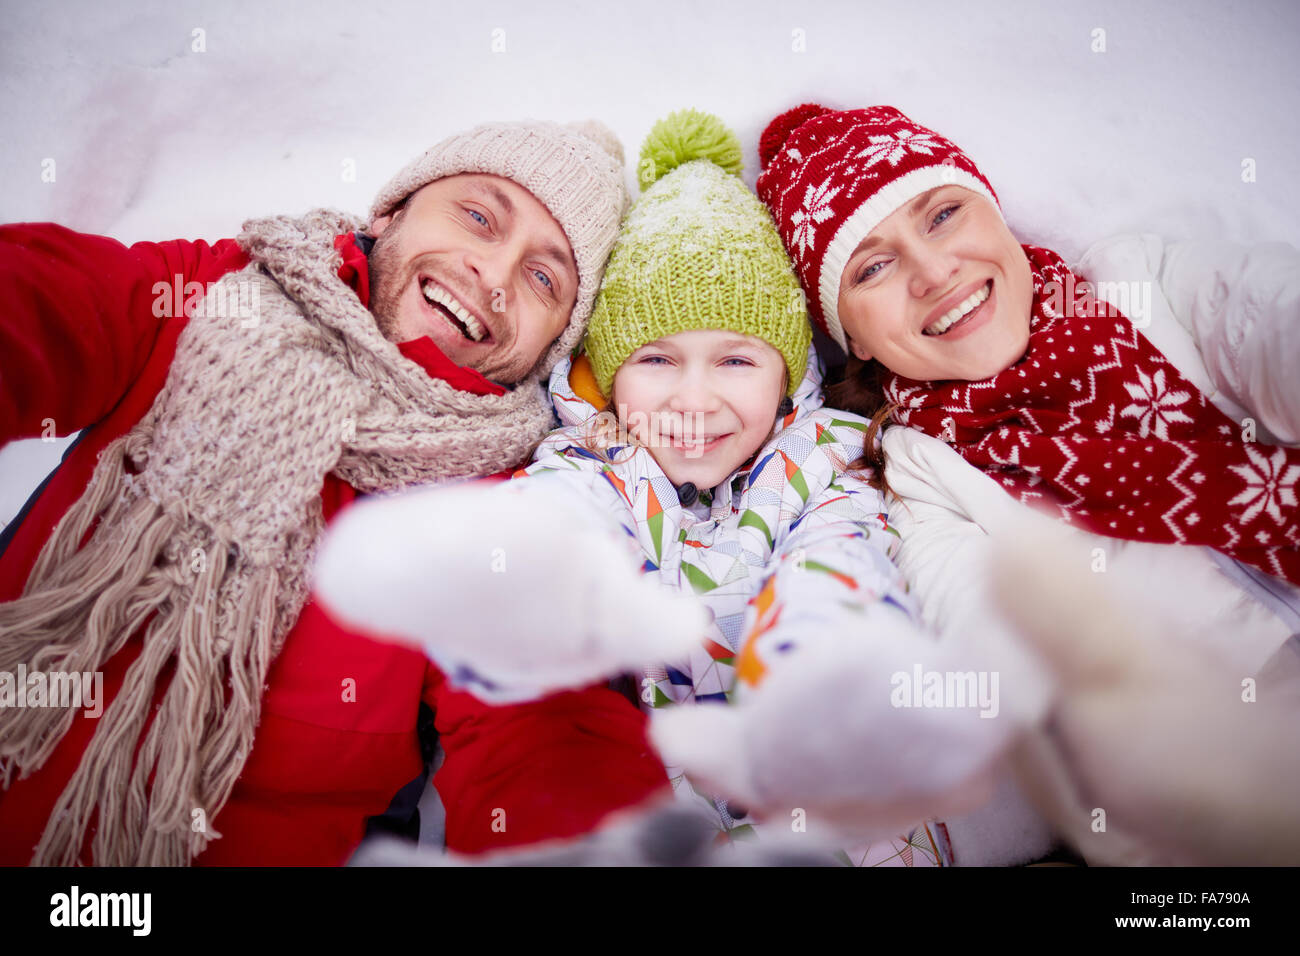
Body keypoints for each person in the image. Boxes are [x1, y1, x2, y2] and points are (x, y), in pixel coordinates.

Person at [315, 111, 1057, 866]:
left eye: (736, 362)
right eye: (658, 362)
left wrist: (813, 649)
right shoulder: (588, 465)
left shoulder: (830, 460)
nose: (693, 401)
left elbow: (840, 552)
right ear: (607, 375)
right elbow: (562, 523)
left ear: (787, 378)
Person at [0, 118, 677, 866]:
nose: (493, 275)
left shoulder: (504, 509)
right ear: (390, 212)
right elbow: (37, 307)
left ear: (552, 344)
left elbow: (551, 726)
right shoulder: (207, 299)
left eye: (544, 278)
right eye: (479, 217)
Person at [697, 101, 1300, 864]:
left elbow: (1271, 318)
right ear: (849, 335)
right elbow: (991, 644)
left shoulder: (1141, 281)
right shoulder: (921, 480)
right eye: (873, 267)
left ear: (994, 210)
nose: (933, 271)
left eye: (943, 214)